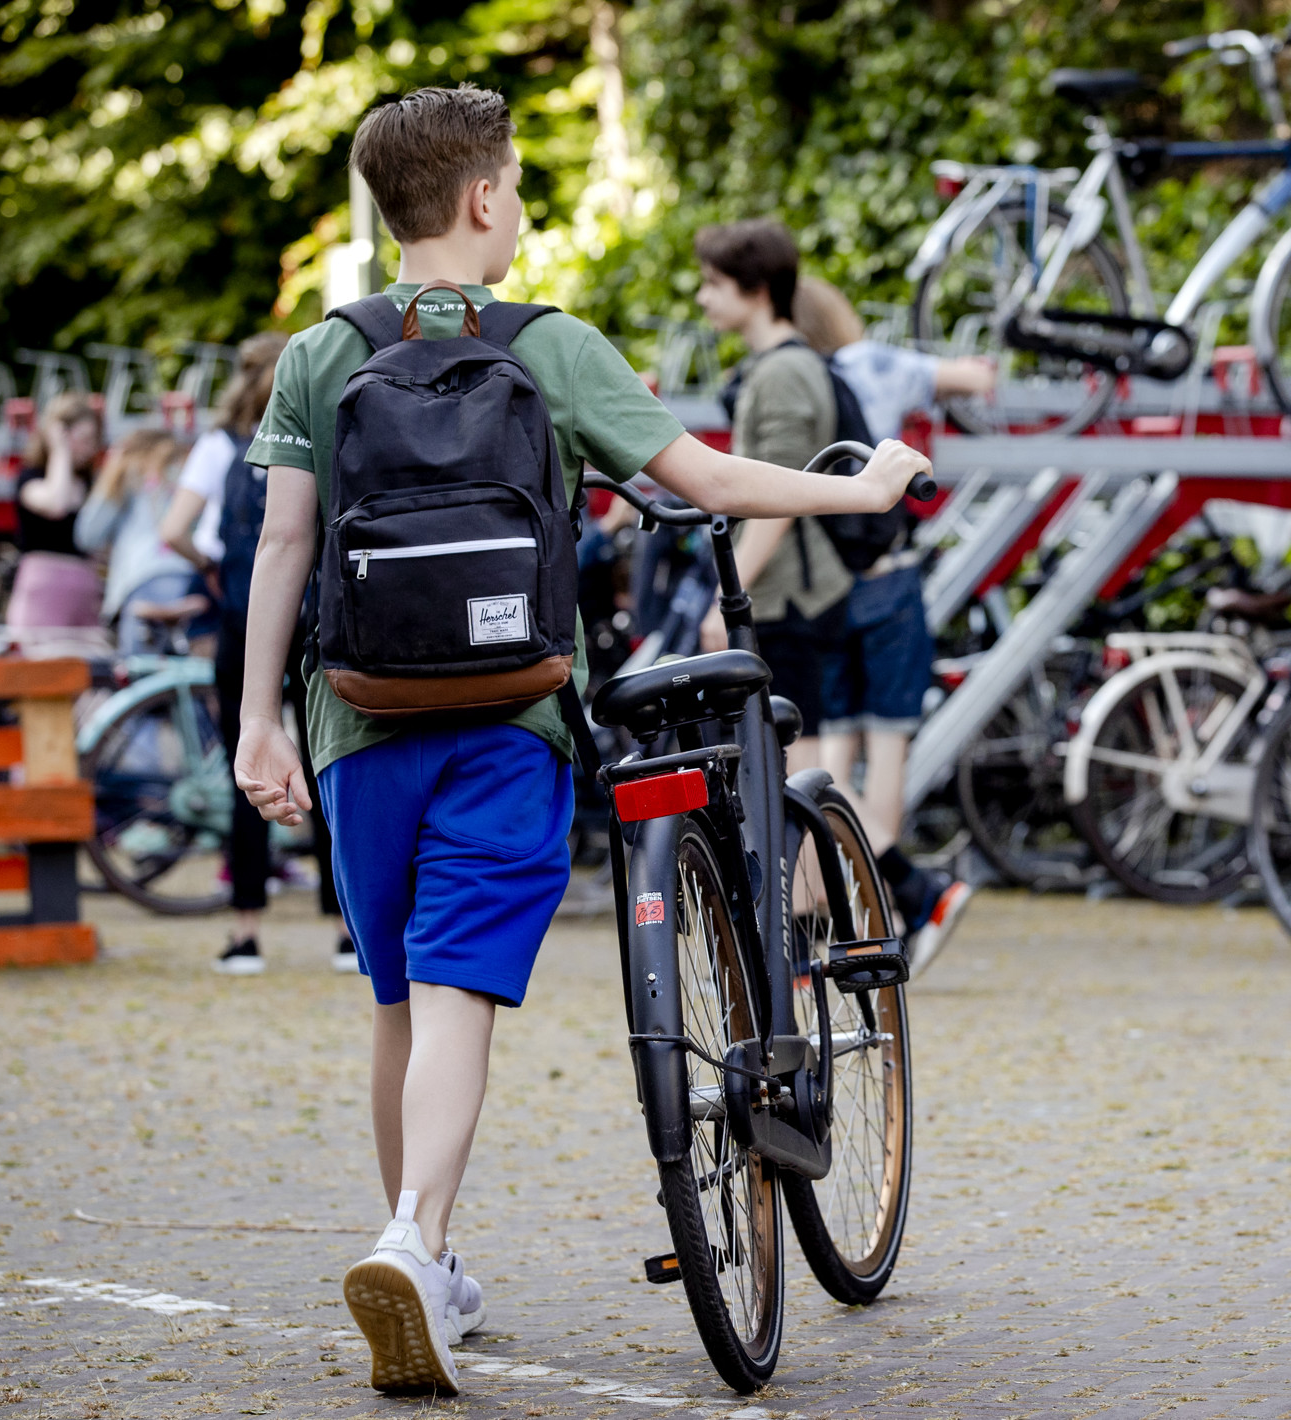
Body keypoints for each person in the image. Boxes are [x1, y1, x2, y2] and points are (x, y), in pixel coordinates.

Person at [231, 85, 932, 1399]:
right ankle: (413, 1238)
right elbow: (708, 483)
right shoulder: (550, 345)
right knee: (459, 992)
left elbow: (283, 543)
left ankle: (426, 1256)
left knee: (399, 997)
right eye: (520, 191)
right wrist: (865, 485)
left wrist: (260, 719)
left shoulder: (320, 354)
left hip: (355, 717)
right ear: (484, 199)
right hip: (511, 715)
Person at [791, 275, 993, 975]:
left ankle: (825, 906)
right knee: (886, 749)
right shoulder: (874, 363)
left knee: (827, 754)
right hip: (889, 577)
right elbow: (971, 378)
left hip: (826, 582)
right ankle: (900, 908)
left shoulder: (795, 379)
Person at [159, 333, 350, 977]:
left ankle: (245, 933)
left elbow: (172, 530)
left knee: (252, 769)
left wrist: (214, 570)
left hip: (246, 618)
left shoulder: (217, 447)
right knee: (325, 762)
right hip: (314, 617)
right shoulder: (317, 426)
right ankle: (344, 928)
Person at [693, 218, 850, 773]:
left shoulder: (784, 372)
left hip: (788, 596)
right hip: (782, 592)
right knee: (776, 776)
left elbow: (779, 497)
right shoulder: (775, 366)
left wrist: (729, 596)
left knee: (792, 783)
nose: (702, 296)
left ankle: (821, 865)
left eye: (715, 282)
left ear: (756, 290)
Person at [75, 429, 211, 655]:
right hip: (191, 582)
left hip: (140, 584)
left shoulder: (129, 473)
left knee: (139, 676)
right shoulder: (192, 474)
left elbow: (88, 536)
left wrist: (111, 473)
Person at [8, 392, 105, 651]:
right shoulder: (31, 477)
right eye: (83, 439)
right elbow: (56, 504)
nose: (90, 448)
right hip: (45, 586)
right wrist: (59, 450)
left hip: (84, 588)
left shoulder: (89, 483)